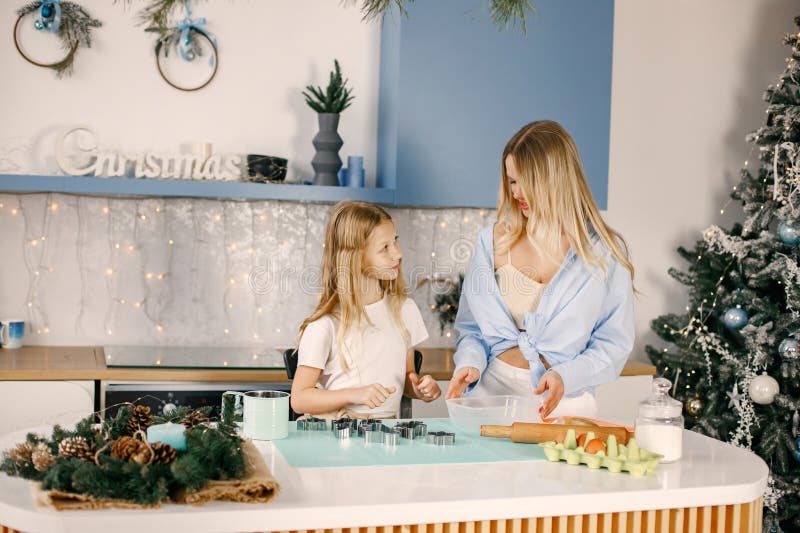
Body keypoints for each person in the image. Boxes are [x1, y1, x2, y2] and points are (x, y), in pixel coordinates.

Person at [445, 120, 635, 420]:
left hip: (564, 404)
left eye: (526, 182)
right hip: (489, 400)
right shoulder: (492, 241)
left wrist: (566, 377)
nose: (517, 192)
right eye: (511, 181)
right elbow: (471, 330)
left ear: (556, 180)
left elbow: (613, 344)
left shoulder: (604, 254)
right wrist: (468, 364)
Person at [291, 200, 441, 419]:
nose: (397, 253)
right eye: (385, 248)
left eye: (395, 241)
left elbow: (407, 377)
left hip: (386, 433)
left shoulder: (404, 310)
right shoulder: (326, 325)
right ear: (356, 258)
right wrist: (355, 395)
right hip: (336, 434)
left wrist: (420, 389)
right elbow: (299, 399)